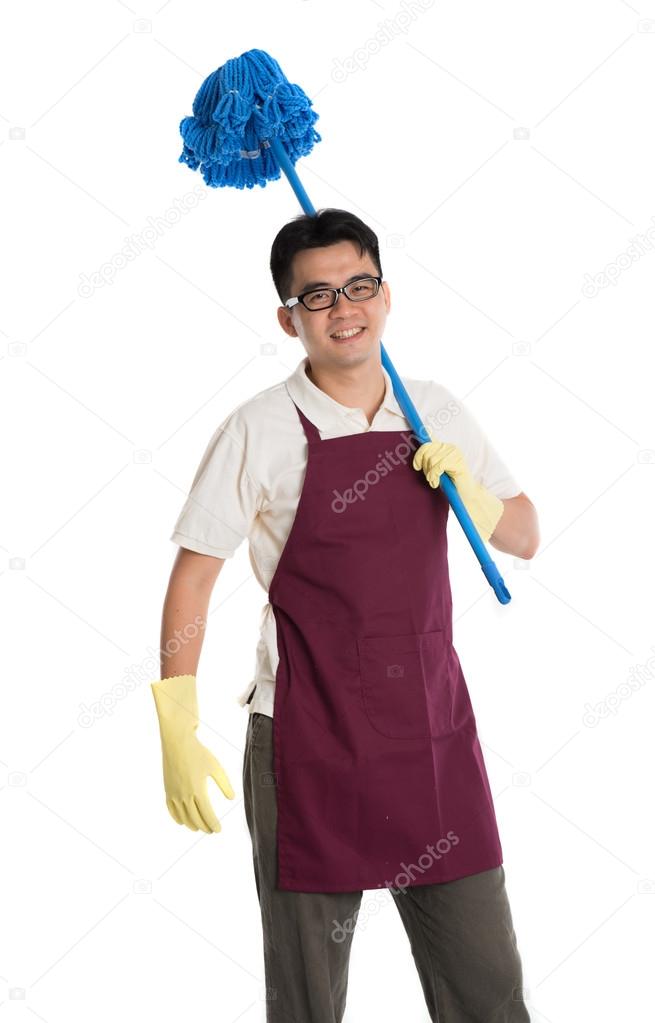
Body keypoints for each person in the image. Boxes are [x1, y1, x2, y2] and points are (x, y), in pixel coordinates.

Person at [150, 208, 539, 1022]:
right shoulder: (257, 428)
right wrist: (175, 721)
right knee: (306, 1003)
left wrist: (469, 487)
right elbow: (193, 579)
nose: (342, 308)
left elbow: (524, 533)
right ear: (287, 318)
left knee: (487, 994)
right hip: (306, 744)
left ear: (386, 295)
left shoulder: (432, 410)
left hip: (431, 738)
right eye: (317, 296)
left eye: (357, 286)